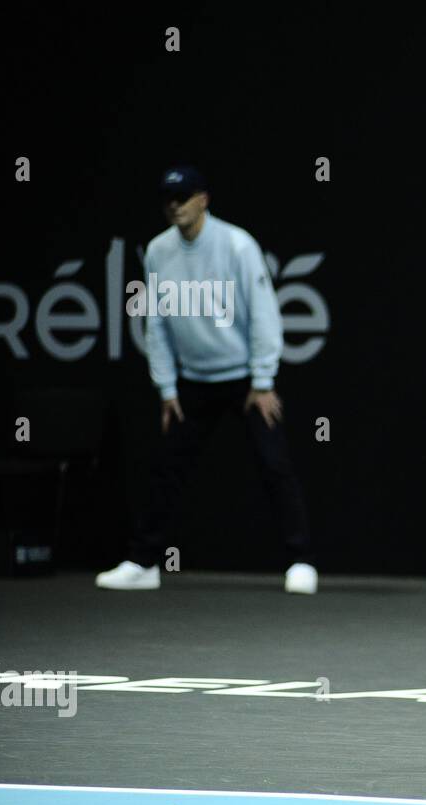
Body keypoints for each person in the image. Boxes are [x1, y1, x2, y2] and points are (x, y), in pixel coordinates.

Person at [96, 165, 318, 593]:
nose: (175, 206)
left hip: (245, 381)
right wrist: (167, 388)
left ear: (204, 200)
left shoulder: (237, 245)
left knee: (274, 465)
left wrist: (263, 380)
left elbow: (263, 313)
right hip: (194, 383)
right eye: (169, 199)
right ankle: (143, 563)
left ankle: (300, 561)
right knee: (165, 469)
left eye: (184, 198)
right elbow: (156, 324)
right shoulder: (159, 252)